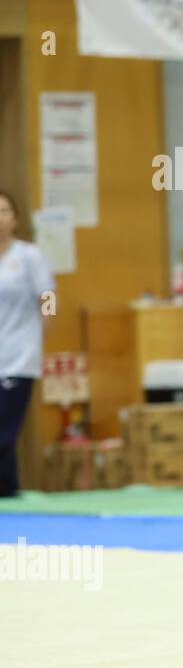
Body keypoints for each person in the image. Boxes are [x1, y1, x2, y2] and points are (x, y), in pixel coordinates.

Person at [0, 190, 55, 498]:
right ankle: (8, 492)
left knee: (4, 428)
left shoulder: (27, 256)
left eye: (5, 210)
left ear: (15, 218)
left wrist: (42, 332)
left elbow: (47, 297)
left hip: (19, 356)